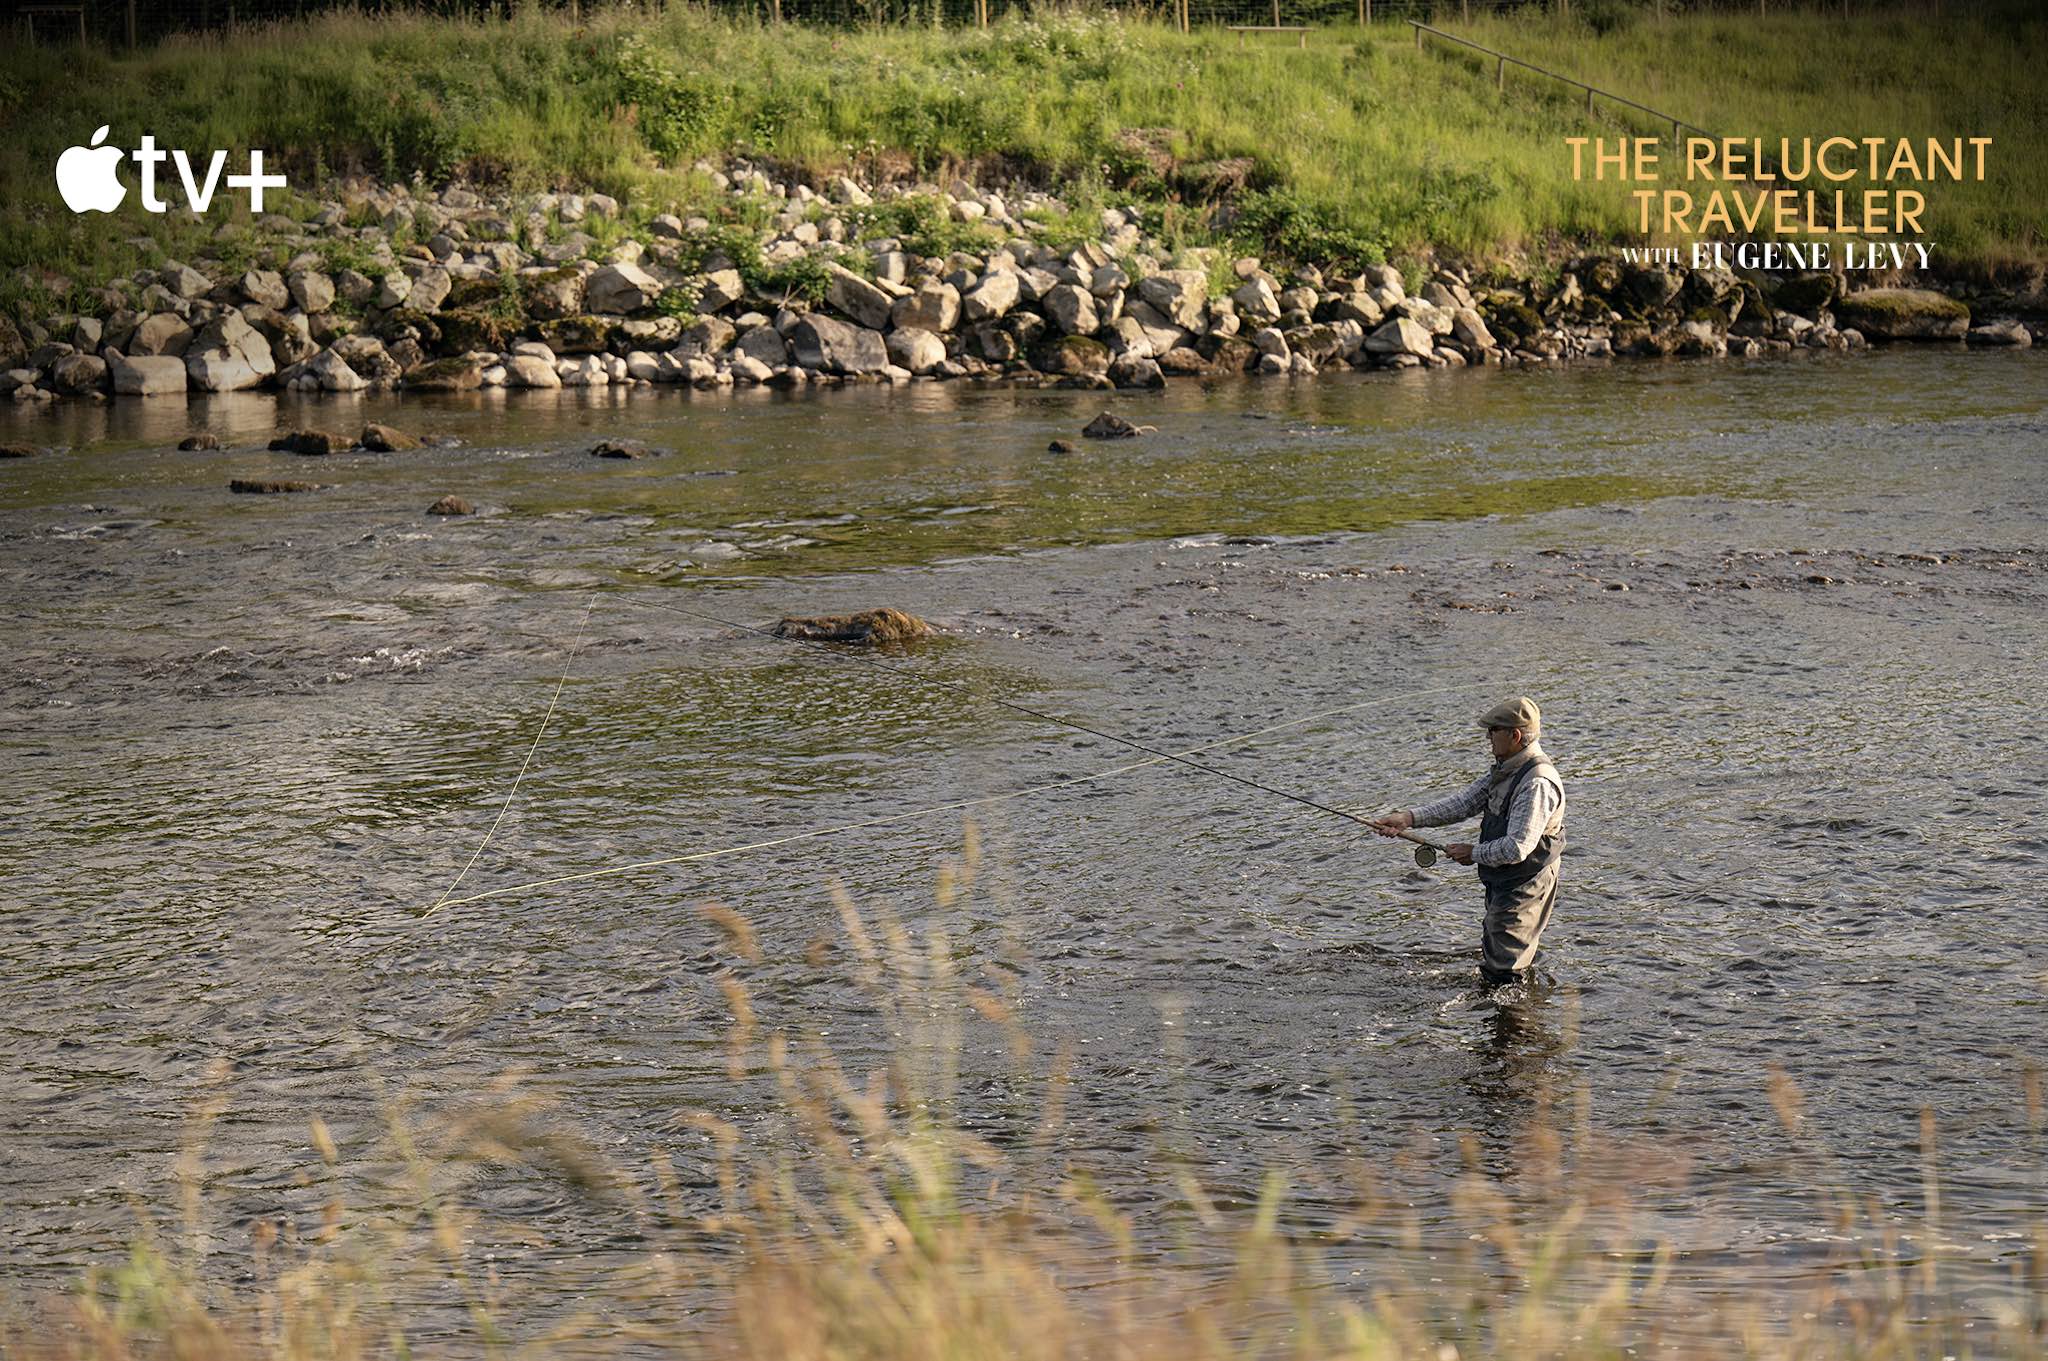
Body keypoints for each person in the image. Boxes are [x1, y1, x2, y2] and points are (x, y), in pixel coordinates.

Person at [1369, 697, 1566, 984]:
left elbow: (1517, 847)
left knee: (1505, 968)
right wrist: (1408, 818)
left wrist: (1472, 853)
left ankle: (1513, 1018)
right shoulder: (1507, 768)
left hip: (1526, 880)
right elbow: (1464, 803)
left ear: (1515, 735)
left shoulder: (1536, 783)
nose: (1488, 737)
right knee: (1499, 947)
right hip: (1506, 876)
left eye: (1493, 730)